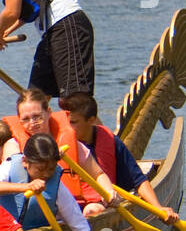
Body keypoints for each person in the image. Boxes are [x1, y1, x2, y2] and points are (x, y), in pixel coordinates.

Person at [61, 93, 178, 223]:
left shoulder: (110, 141)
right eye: (67, 122)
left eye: (73, 122)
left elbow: (138, 180)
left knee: (91, 211)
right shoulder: (60, 142)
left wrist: (158, 208)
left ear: (91, 120)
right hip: (68, 205)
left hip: (99, 205)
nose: (68, 127)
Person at [2, 87, 116, 213]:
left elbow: (98, 174)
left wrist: (109, 192)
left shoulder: (69, 142)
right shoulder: (13, 146)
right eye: (26, 119)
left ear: (49, 112)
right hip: (32, 209)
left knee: (93, 210)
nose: (32, 123)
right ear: (19, 120)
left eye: (37, 116)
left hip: (71, 206)